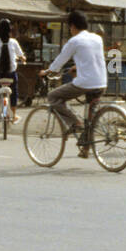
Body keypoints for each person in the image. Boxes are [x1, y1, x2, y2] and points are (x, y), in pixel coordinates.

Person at [45, 11, 108, 158]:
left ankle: (75, 122)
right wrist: (77, 68)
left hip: (85, 83)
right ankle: (85, 149)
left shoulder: (74, 41)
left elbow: (60, 61)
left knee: (53, 96)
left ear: (72, 26)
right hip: (102, 82)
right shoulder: (97, 38)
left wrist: (47, 71)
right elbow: (91, 59)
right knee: (90, 117)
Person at [0, 18, 26, 123]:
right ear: (10, 30)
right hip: (10, 74)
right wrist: (23, 59)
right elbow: (21, 56)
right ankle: (14, 114)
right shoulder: (13, 42)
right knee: (14, 92)